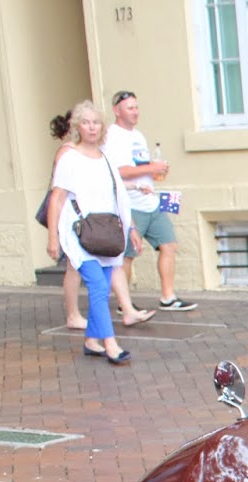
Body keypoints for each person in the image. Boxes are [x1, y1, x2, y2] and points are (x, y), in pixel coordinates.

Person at [45, 101, 137, 364]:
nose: (92, 127)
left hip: (106, 234)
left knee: (103, 287)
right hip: (80, 233)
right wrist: (53, 238)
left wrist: (131, 228)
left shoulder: (106, 159)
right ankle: (111, 345)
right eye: (85, 122)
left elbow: (118, 197)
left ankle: (91, 340)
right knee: (97, 285)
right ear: (77, 127)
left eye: (96, 122)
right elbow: (57, 199)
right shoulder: (69, 158)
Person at [104, 90, 197, 311]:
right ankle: (123, 303)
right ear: (117, 111)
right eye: (130, 108)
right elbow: (120, 171)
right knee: (127, 255)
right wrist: (151, 168)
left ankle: (168, 297)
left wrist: (156, 172)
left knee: (169, 245)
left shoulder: (138, 135)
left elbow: (141, 165)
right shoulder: (113, 136)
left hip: (151, 201)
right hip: (130, 203)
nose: (135, 112)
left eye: (136, 107)